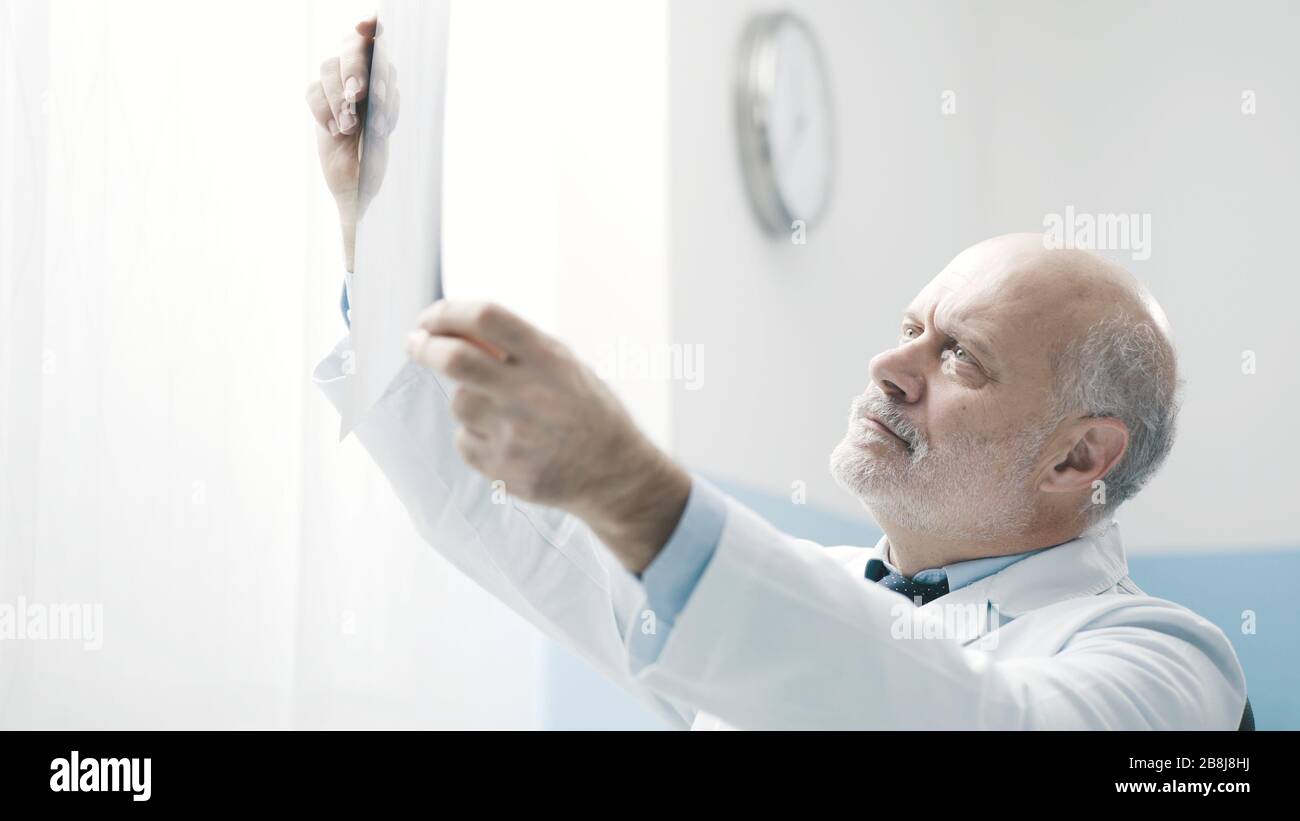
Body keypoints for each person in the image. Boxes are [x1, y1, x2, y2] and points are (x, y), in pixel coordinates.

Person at [303, 18, 1249, 730]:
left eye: (957, 354)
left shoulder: (1170, 667)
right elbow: (513, 527)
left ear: (1080, 456)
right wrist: (374, 226)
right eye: (909, 327)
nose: (889, 365)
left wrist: (632, 484)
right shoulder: (816, 588)